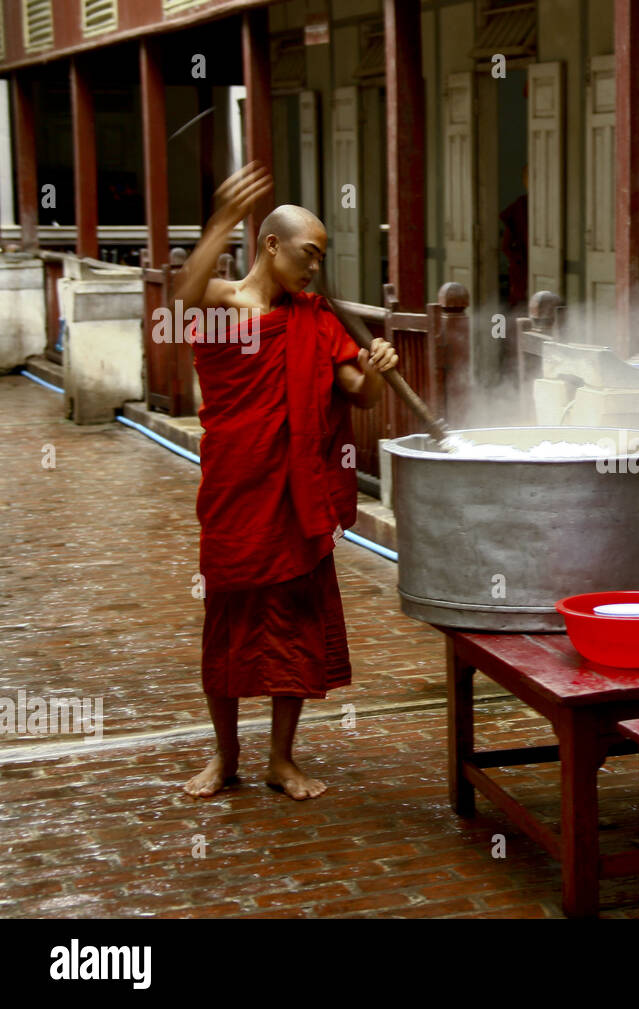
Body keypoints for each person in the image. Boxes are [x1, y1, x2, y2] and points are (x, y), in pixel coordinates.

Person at [174, 163, 398, 800]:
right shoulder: (222, 304)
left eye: (321, 258)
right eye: (308, 254)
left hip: (298, 498)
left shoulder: (312, 315)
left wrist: (377, 367)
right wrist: (220, 222)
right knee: (227, 628)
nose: (314, 269)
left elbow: (357, 393)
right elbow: (181, 301)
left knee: (295, 631)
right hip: (237, 491)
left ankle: (282, 759)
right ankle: (224, 757)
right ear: (271, 246)